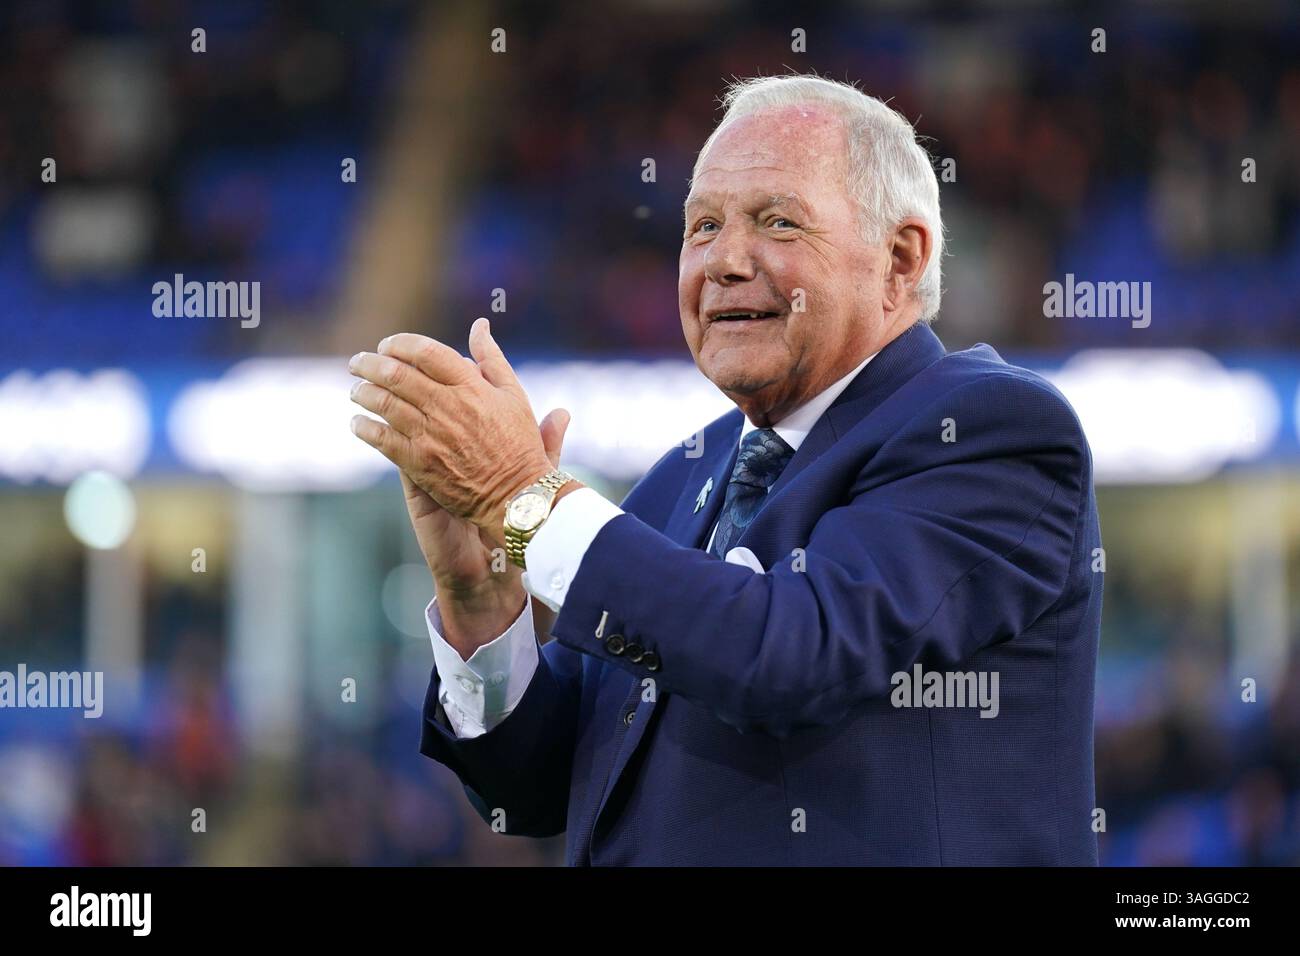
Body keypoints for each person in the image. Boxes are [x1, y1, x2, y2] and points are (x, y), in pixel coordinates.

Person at [347, 74, 1102, 865]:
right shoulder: (681, 480)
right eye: (701, 227)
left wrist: (524, 500)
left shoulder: (989, 432)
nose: (725, 261)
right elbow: (530, 796)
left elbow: (787, 656)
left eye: (778, 222)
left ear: (899, 260)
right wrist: (484, 605)